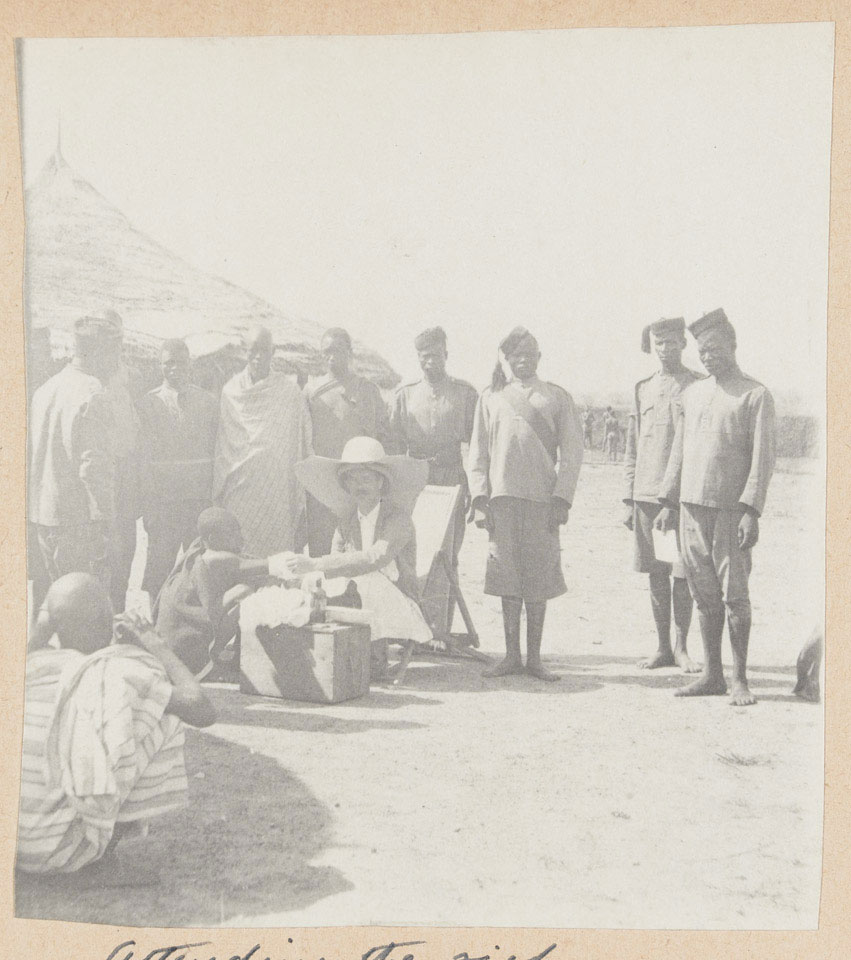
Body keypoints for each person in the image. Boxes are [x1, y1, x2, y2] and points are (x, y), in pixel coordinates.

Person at [17, 573, 215, 876]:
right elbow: (201, 708)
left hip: (12, 847)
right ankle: (101, 843)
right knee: (164, 712)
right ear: (109, 620)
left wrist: (43, 629)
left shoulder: (30, 666)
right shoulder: (123, 672)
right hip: (61, 853)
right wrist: (154, 643)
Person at [658, 308, 776, 706]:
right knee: (704, 595)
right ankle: (712, 675)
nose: (708, 356)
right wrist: (667, 501)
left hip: (730, 512)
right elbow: (679, 450)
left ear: (733, 346)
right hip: (691, 508)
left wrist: (751, 510)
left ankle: (740, 679)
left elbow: (763, 460)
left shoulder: (754, 395)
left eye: (715, 349)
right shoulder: (691, 394)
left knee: (734, 597)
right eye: (702, 351)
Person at [468, 327, 584, 681]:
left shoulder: (556, 397)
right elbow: (478, 453)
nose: (523, 360)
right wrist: (480, 499)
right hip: (502, 501)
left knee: (538, 578)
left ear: (539, 357)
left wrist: (562, 499)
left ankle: (534, 658)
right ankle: (510, 656)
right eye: (516, 355)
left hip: (541, 502)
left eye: (529, 354)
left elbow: (574, 452)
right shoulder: (491, 397)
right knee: (506, 577)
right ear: (507, 359)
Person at [287, 436, 432, 676]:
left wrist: (315, 563)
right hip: (358, 597)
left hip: (400, 602)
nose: (359, 485)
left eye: (365, 478)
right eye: (352, 479)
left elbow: (376, 557)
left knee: (368, 579)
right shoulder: (347, 521)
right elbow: (337, 564)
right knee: (318, 584)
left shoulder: (397, 519)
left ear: (380, 482)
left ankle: (373, 658)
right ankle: (332, 653)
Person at [389, 326, 478, 641]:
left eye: (436, 356)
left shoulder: (465, 394)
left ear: (446, 355)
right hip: (415, 484)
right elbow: (394, 445)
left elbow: (477, 445)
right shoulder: (405, 395)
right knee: (412, 553)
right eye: (424, 357)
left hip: (451, 481)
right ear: (418, 358)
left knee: (447, 556)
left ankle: (441, 630)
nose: (430, 363)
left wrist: (471, 486)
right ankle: (412, 627)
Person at [622, 317, 701, 672]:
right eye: (659, 344)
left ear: (683, 344)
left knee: (682, 574)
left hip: (683, 498)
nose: (665, 350)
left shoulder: (698, 386)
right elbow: (632, 447)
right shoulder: (643, 388)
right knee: (656, 573)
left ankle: (682, 648)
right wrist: (628, 498)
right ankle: (662, 648)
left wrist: (674, 499)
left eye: (671, 342)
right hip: (646, 495)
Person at [28, 316, 121, 613]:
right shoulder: (93, 393)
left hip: (44, 518)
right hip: (76, 525)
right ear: (101, 353)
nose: (117, 362)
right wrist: (106, 525)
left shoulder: (46, 389)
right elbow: (93, 468)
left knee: (58, 609)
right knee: (84, 615)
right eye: (115, 353)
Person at [213, 325, 313, 557]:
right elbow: (223, 444)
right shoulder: (231, 391)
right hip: (240, 488)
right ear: (244, 351)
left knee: (277, 559)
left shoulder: (289, 392)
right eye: (253, 350)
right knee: (239, 553)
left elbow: (302, 440)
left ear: (273, 351)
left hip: (277, 492)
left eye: (264, 350)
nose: (258, 356)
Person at [154, 507, 281, 677]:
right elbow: (267, 565)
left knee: (246, 586)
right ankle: (221, 660)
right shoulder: (213, 559)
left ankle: (228, 656)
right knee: (245, 592)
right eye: (234, 535)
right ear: (213, 539)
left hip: (167, 650)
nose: (241, 539)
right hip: (182, 654)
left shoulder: (197, 550)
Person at [137, 339, 219, 601]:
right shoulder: (147, 404)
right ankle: (155, 627)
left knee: (198, 570)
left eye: (180, 362)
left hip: (197, 502)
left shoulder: (207, 402)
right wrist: (149, 507)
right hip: (163, 505)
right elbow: (143, 460)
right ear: (160, 365)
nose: (174, 368)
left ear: (190, 364)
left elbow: (216, 450)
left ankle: (193, 630)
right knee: (159, 571)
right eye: (168, 363)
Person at [303, 327, 391, 556]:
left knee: (359, 544)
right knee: (322, 548)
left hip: (358, 481)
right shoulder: (312, 392)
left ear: (349, 352)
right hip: (322, 482)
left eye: (338, 350)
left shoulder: (367, 390)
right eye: (327, 352)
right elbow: (303, 438)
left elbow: (383, 436)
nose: (332, 356)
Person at [101, 311, 145, 613]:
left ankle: (117, 613)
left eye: (116, 336)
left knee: (125, 548)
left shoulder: (133, 378)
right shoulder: (89, 378)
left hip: (126, 475)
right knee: (100, 553)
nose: (113, 344)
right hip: (99, 477)